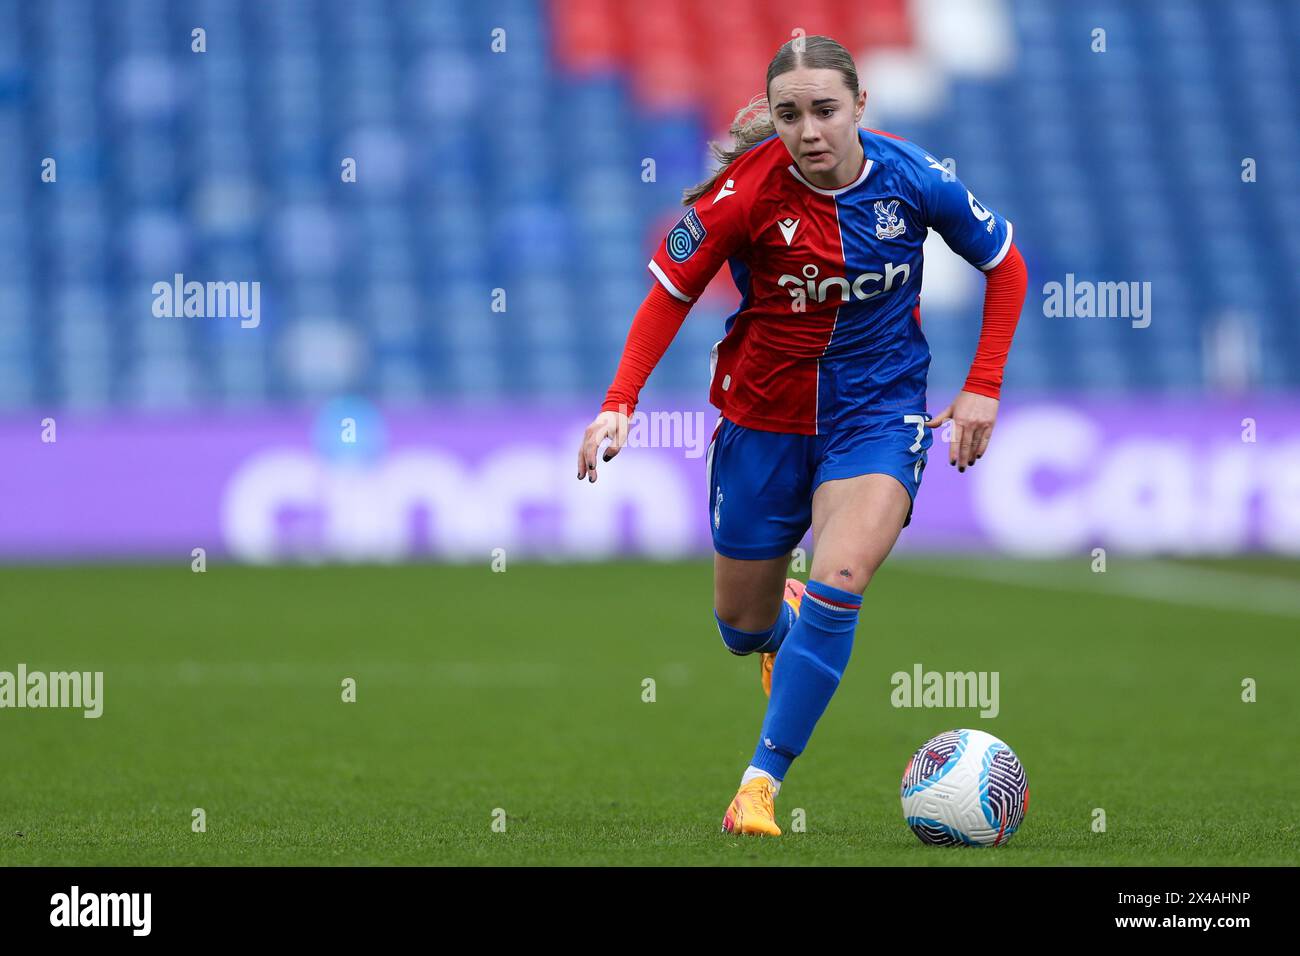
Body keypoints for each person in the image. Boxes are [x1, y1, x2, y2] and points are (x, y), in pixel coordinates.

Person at [576, 35, 1028, 836]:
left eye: (824, 109)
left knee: (843, 572)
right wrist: (620, 401)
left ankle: (759, 784)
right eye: (789, 114)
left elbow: (1006, 262)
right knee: (739, 630)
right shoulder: (741, 195)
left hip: (876, 416)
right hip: (762, 423)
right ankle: (782, 626)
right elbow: (667, 296)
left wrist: (983, 386)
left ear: (860, 106)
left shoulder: (915, 180)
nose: (809, 129)